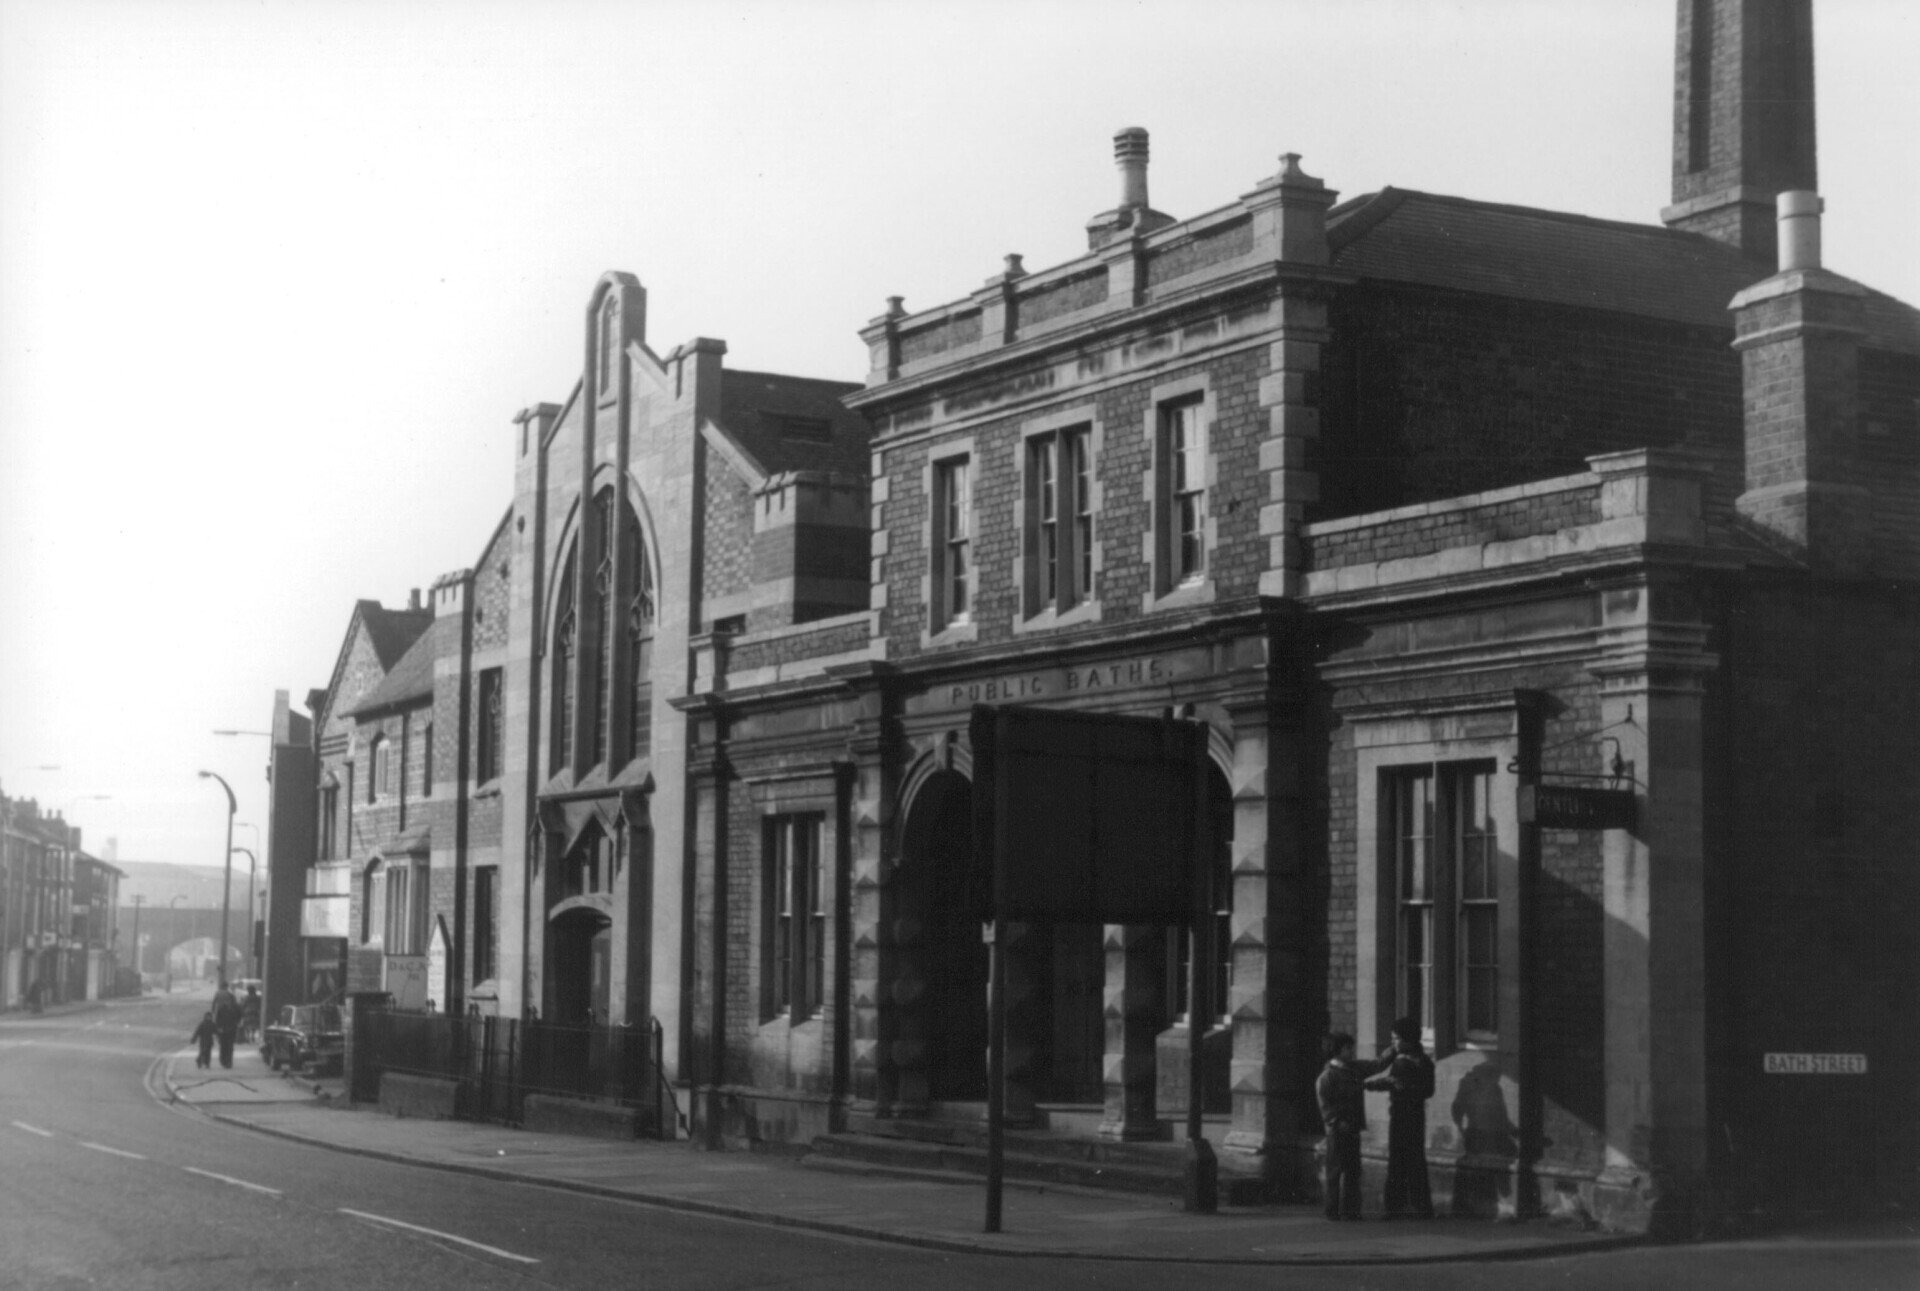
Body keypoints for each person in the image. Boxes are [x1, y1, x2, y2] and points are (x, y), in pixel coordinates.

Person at [1366, 1016, 1438, 1219]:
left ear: (1407, 1039)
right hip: (1417, 1116)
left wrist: (1366, 1085)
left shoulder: (1401, 1063)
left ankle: (1395, 1207)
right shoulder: (1425, 1061)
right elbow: (1428, 1091)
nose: (1394, 1042)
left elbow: (1390, 1082)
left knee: (1397, 1161)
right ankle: (1422, 1207)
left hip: (1400, 1116)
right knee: (1416, 1161)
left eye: (1396, 1038)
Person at [1316, 1031, 1381, 1221]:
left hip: (1352, 1127)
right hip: (1337, 1131)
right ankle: (1332, 1210)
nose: (1351, 1051)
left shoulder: (1353, 1069)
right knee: (1335, 1171)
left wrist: (1392, 1051)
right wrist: (1336, 1122)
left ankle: (1352, 1210)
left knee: (1354, 1170)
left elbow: (1376, 1065)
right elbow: (1325, 1105)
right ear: (1337, 1051)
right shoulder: (1328, 1075)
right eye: (1347, 1048)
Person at [210, 979, 241, 1069]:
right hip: (231, 1026)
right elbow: (238, 1010)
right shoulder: (230, 995)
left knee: (223, 1044)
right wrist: (237, 1022)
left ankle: (223, 1060)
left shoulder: (218, 993)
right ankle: (228, 1061)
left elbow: (214, 1004)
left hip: (222, 1025)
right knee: (230, 1045)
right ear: (227, 987)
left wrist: (213, 1013)